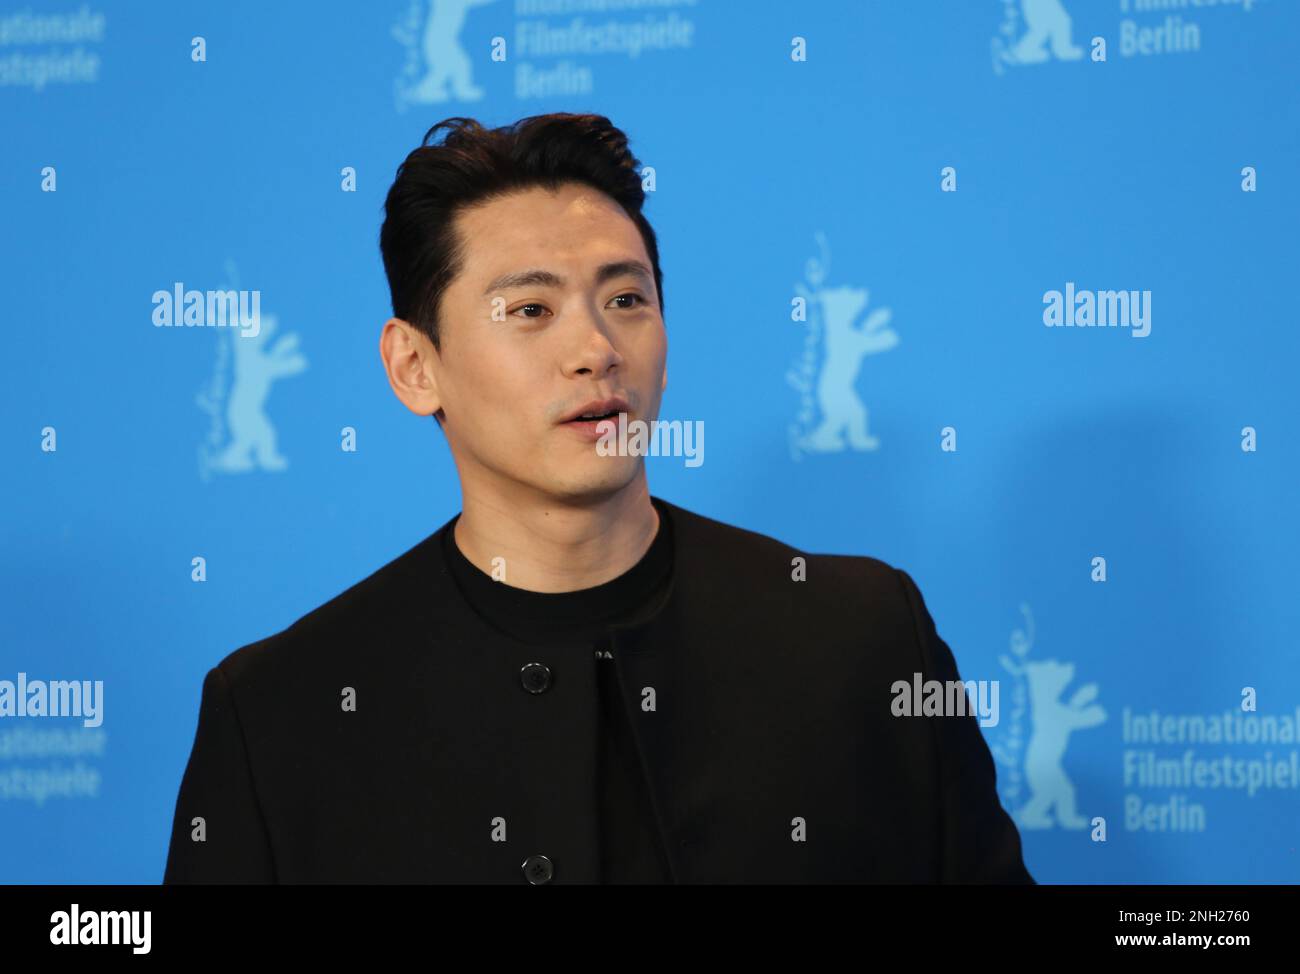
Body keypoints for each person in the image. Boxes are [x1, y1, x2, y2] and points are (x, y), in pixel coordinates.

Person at [163, 113, 1034, 884]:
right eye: (531, 310)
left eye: (626, 298)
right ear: (414, 367)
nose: (595, 347)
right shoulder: (282, 709)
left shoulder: (864, 635)